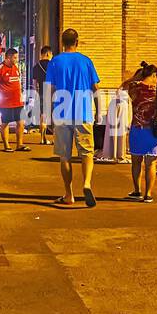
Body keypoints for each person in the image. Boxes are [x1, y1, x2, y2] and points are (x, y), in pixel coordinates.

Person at [44, 28, 100, 207]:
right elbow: (95, 89)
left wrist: (49, 115)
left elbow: (50, 90)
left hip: (62, 112)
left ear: (62, 42)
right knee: (87, 153)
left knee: (64, 156)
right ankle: (86, 183)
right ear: (77, 42)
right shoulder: (86, 61)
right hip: (83, 111)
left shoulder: (55, 62)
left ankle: (69, 195)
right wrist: (99, 110)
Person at [123, 62, 157, 203]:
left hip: (137, 128)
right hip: (153, 130)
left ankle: (137, 190)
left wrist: (135, 77)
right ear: (155, 75)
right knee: (151, 163)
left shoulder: (134, 87)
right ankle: (148, 194)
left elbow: (123, 86)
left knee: (136, 162)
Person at [0, 47, 28, 152]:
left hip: (17, 100)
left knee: (21, 122)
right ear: (8, 58)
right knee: (5, 123)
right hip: (5, 102)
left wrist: (21, 95)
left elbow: (18, 82)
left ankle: (20, 144)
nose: (17, 60)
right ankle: (6, 145)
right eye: (15, 58)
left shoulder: (16, 67)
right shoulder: (0, 68)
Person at [30, 45, 53, 145]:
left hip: (42, 93)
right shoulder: (53, 65)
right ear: (48, 54)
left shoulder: (36, 66)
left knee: (43, 116)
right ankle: (55, 140)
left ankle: (42, 138)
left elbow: (35, 83)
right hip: (53, 93)